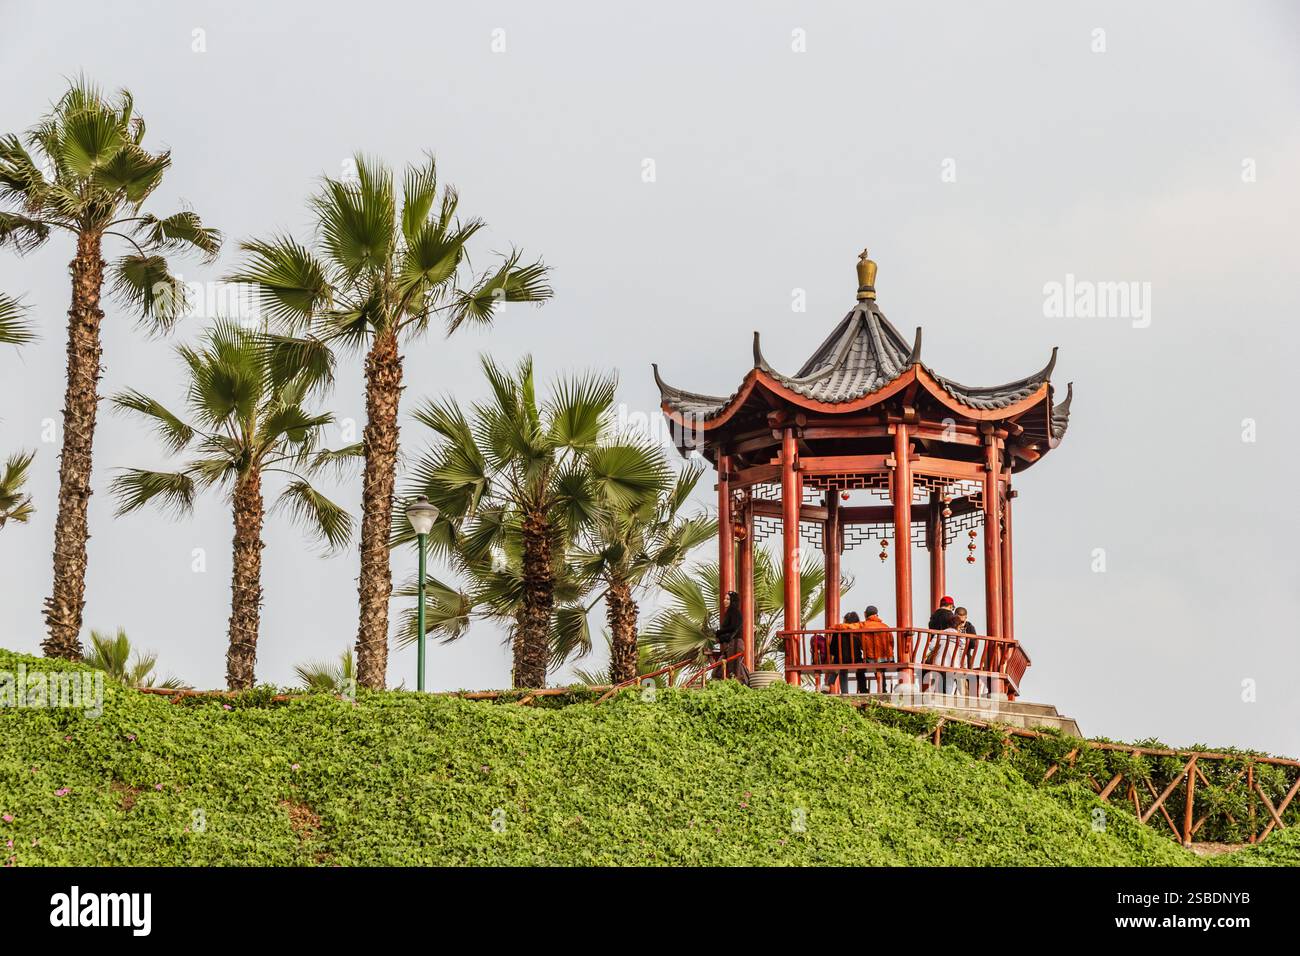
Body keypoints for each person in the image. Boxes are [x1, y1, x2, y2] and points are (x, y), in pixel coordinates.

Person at [714, 591, 750, 684]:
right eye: (724, 598)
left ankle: (744, 684)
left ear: (733, 601)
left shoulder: (734, 612)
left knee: (732, 672)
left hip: (735, 643)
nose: (724, 601)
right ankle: (747, 680)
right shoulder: (730, 612)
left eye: (728, 599)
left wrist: (719, 633)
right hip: (730, 645)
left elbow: (734, 627)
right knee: (718, 671)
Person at [827, 611, 866, 694]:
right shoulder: (859, 632)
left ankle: (832, 686)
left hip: (840, 660)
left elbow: (832, 650)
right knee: (860, 670)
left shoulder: (837, 632)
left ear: (845, 620)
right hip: (856, 659)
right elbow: (863, 647)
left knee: (840, 667)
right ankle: (863, 690)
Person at [859, 605, 892, 693]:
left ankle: (863, 691)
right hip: (886, 658)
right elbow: (891, 642)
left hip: (870, 658)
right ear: (877, 615)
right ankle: (883, 689)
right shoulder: (885, 626)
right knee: (880, 668)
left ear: (865, 614)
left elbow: (860, 641)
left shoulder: (863, 625)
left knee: (859, 669)